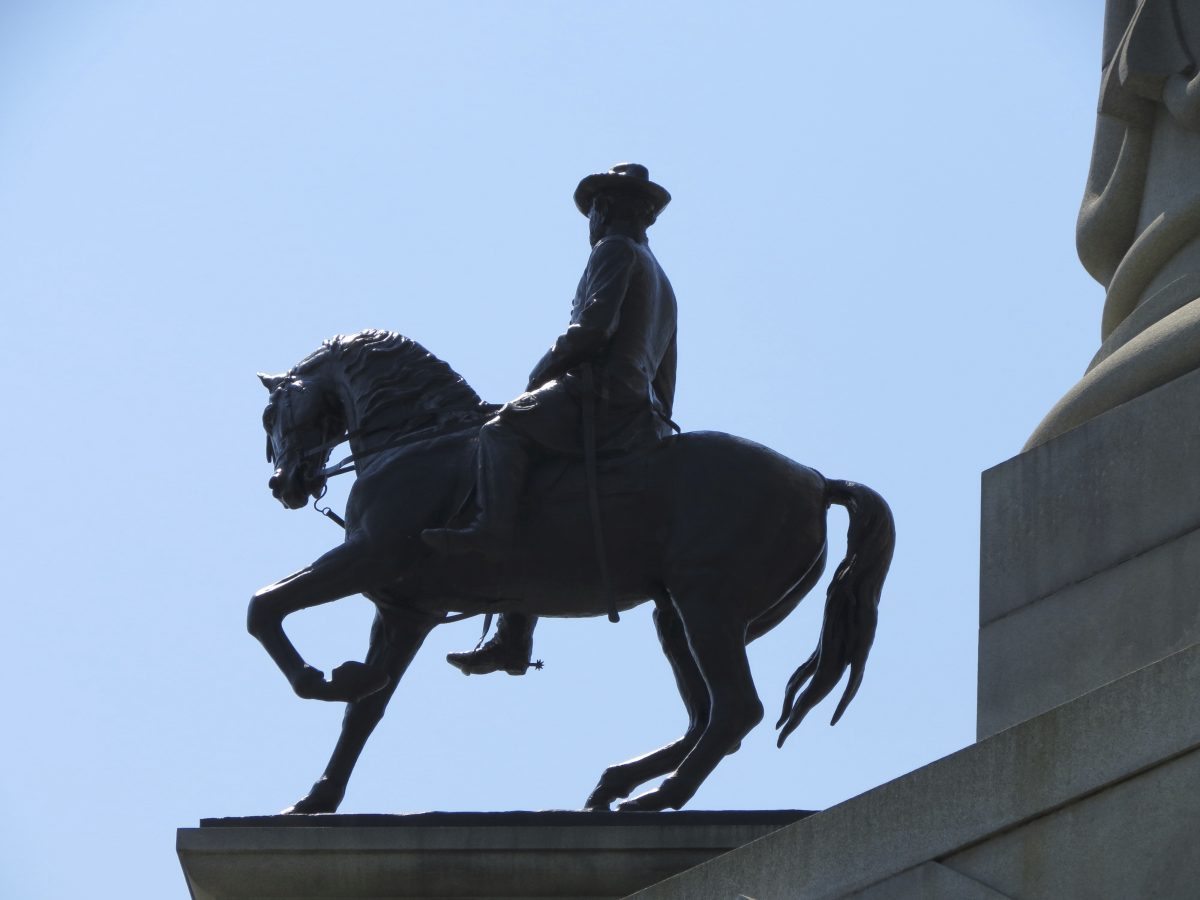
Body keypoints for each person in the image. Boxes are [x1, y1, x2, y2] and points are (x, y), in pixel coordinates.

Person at [421, 162, 678, 675]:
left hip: (602, 393)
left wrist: (537, 381)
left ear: (603, 211)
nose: (592, 221)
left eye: (594, 211)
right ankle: (513, 635)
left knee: (499, 432)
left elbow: (590, 330)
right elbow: (666, 369)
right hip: (640, 408)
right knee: (536, 481)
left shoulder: (614, 251)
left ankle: (489, 536)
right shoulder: (661, 276)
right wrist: (658, 422)